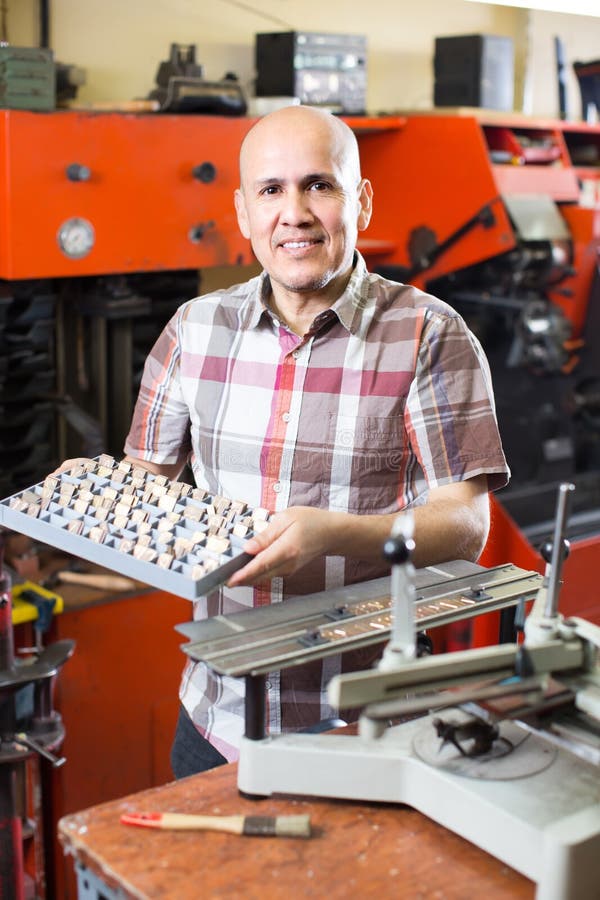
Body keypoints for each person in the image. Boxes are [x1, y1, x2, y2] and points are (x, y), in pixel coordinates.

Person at [68, 106, 510, 776]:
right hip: (215, 720)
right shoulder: (193, 329)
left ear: (359, 200)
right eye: (271, 190)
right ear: (244, 212)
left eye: (319, 185)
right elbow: (145, 485)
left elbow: (466, 525)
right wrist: (92, 492)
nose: (294, 212)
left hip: (369, 726)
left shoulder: (429, 335)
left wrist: (334, 533)